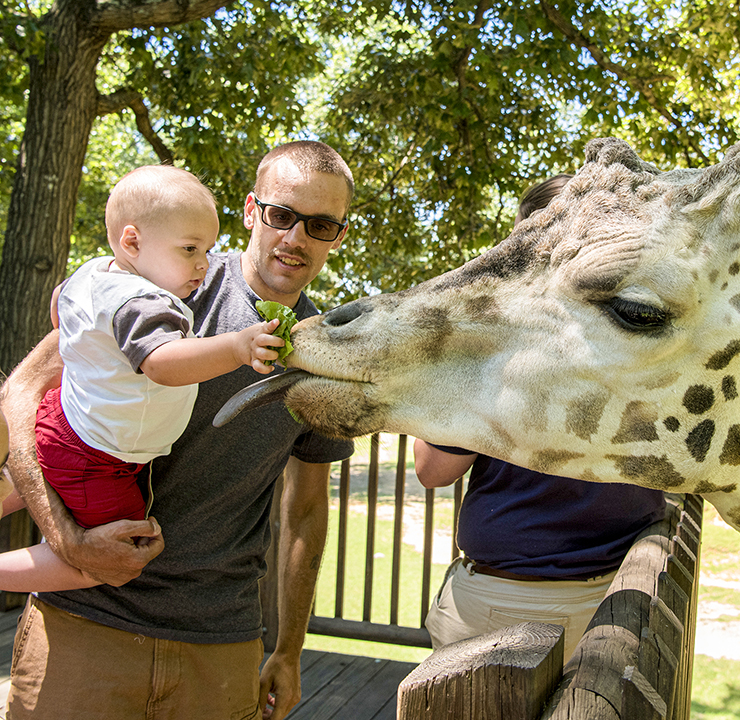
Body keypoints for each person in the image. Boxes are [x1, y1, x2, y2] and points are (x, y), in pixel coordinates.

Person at [0, 141, 356, 720]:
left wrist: (289, 648)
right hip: (89, 624)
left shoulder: (322, 356)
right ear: (250, 210)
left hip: (220, 644)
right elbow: (21, 392)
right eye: (282, 215)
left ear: (337, 235)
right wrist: (64, 539)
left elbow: (307, 511)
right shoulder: (155, 281)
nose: (295, 239)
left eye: (320, 225)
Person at [414, 175, 667, 662]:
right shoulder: (645, 330)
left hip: (510, 608)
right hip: (623, 593)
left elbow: (432, 470)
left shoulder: (499, 339)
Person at [0, 165, 285, 593]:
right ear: (132, 241)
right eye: (189, 249)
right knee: (114, 557)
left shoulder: (96, 273)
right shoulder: (146, 303)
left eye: (207, 250)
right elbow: (161, 363)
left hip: (66, 420)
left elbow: (61, 303)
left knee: (24, 487)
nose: (203, 264)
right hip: (97, 456)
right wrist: (235, 348)